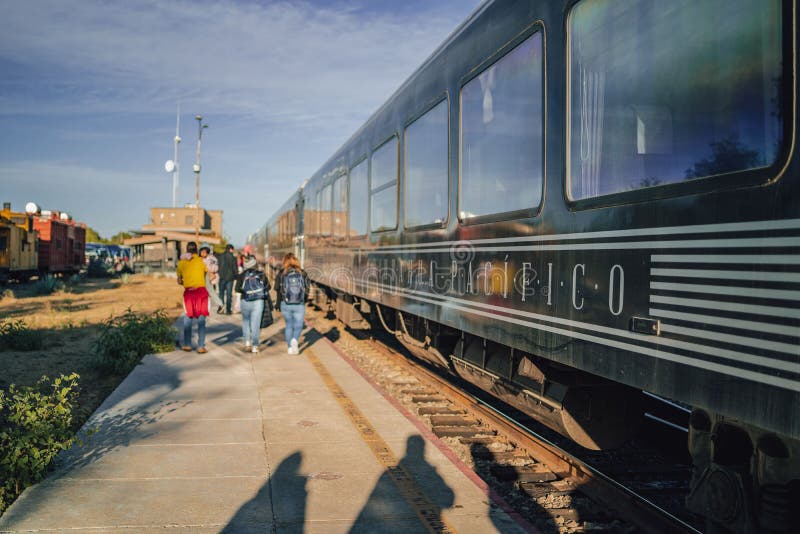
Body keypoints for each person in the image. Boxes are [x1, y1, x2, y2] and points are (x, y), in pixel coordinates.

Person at [176, 241, 209, 353]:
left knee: (188, 318)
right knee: (201, 319)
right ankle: (200, 346)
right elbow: (209, 274)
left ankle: (188, 345)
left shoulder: (182, 263)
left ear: (187, 249)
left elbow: (179, 281)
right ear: (196, 250)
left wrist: (187, 280)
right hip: (201, 292)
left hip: (189, 293)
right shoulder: (201, 261)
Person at [234, 255, 271, 353]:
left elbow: (237, 289)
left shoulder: (242, 275)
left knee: (246, 322)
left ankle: (247, 343)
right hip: (258, 301)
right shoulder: (261, 274)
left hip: (245, 301)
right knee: (256, 324)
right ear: (255, 264)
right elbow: (268, 287)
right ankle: (255, 346)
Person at [274, 252, 309, 354]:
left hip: (285, 303)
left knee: (289, 325)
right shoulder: (303, 273)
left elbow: (277, 289)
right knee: (298, 325)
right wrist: (304, 300)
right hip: (299, 303)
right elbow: (307, 289)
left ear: (284, 262)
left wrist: (278, 303)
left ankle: (289, 348)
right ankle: (295, 339)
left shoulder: (281, 273)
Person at [199, 243, 223, 312]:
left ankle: (219, 304)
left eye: (204, 252)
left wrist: (207, 269)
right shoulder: (211, 258)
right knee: (209, 294)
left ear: (207, 252)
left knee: (209, 292)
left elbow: (214, 268)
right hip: (210, 279)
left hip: (208, 278)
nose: (202, 253)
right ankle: (219, 304)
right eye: (201, 252)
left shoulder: (209, 259)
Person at [217, 244, 237, 314]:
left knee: (221, 294)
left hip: (222, 277)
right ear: (230, 249)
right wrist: (236, 276)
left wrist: (219, 274)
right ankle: (228, 310)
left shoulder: (220, 257)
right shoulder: (233, 258)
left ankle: (221, 308)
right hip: (230, 279)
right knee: (229, 294)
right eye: (232, 249)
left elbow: (218, 267)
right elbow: (235, 269)